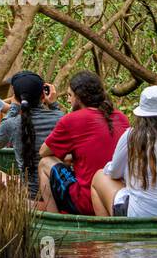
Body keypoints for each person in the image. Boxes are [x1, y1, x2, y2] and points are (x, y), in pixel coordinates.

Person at [91, 85, 157, 218]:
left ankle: (108, 235)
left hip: (140, 216)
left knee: (99, 176)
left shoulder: (131, 136)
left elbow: (114, 172)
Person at [37, 71, 129, 215]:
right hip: (114, 197)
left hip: (88, 201)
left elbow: (43, 151)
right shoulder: (121, 117)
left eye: (70, 95)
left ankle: (55, 221)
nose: (68, 101)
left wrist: (67, 157)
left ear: (79, 97)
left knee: (45, 163)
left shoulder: (72, 119)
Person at [0, 70, 62, 197]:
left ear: (16, 96)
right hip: (59, 193)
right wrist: (54, 105)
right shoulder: (60, 118)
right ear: (43, 95)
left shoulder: (12, 123)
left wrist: (13, 107)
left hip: (30, 197)